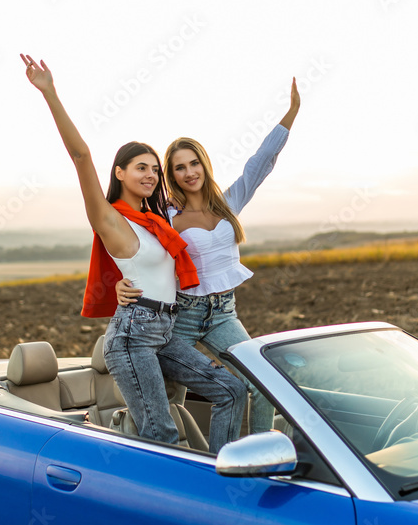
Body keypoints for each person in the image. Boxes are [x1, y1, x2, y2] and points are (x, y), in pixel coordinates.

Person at [21, 53, 246, 453]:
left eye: (155, 169)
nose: (151, 175)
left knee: (231, 389)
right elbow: (81, 156)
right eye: (140, 167)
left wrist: (125, 285)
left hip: (165, 329)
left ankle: (223, 482)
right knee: (161, 434)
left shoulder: (157, 220)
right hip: (132, 336)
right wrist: (50, 93)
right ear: (119, 173)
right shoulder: (109, 218)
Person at [116, 78, 301, 435]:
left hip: (222, 313)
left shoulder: (230, 202)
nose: (189, 172)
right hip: (180, 315)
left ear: (204, 164)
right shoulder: (166, 217)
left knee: (265, 383)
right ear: (170, 175)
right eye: (179, 168)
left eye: (194, 163)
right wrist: (121, 285)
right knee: (171, 400)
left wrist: (290, 114)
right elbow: (133, 250)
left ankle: (258, 460)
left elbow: (261, 162)